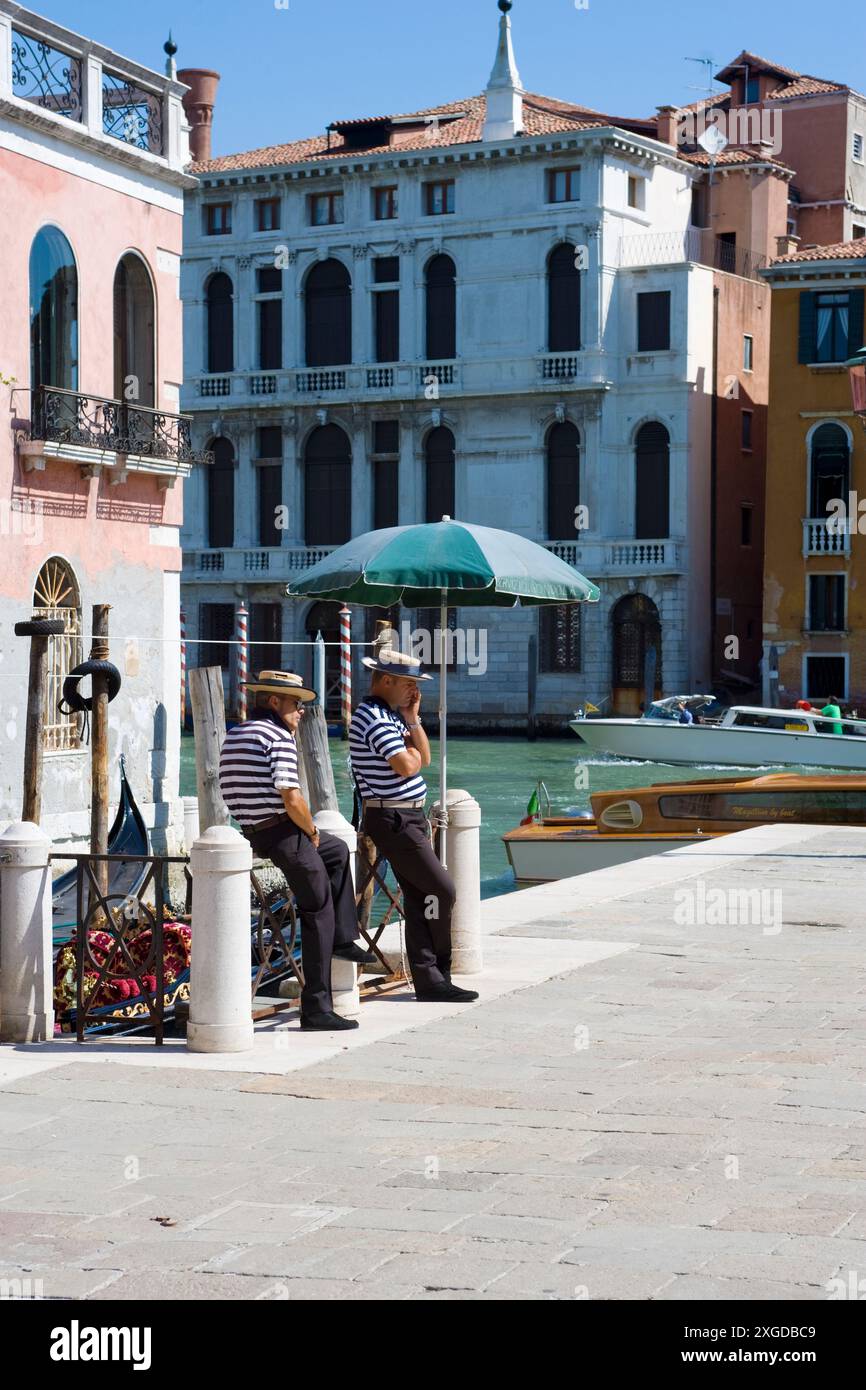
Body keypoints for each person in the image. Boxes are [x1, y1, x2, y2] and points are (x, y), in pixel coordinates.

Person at [219, 670, 375, 1033]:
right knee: (317, 908)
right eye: (296, 704)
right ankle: (317, 1008)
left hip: (254, 832)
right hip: (284, 833)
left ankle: (343, 937)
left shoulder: (236, 733)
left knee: (336, 852)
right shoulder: (278, 736)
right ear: (274, 702)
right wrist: (312, 829)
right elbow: (291, 796)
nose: (301, 711)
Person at [349, 647, 478, 1005]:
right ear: (386, 680)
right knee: (443, 890)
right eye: (408, 684)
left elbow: (424, 756)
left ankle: (432, 980)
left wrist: (413, 718)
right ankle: (439, 971)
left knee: (424, 896)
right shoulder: (371, 716)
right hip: (392, 818)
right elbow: (407, 765)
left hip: (409, 816)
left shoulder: (392, 715)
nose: (414, 691)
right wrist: (412, 752)